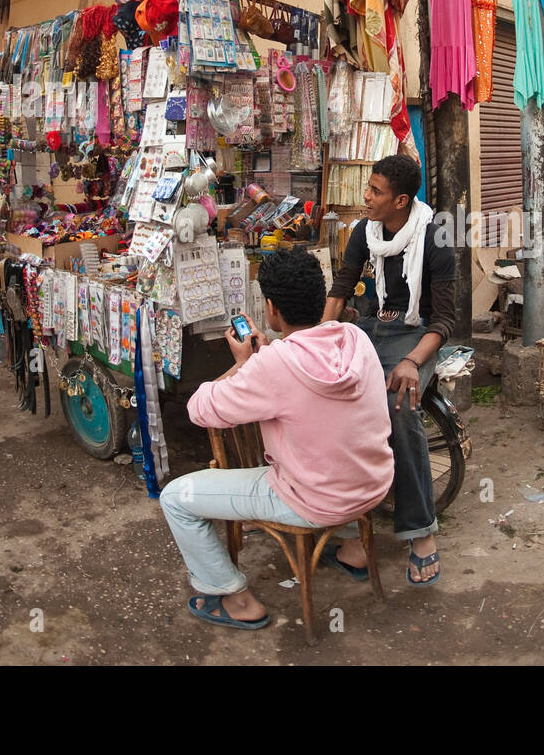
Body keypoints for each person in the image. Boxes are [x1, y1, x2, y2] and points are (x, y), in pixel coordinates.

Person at [163, 251, 395, 629]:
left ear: (271, 309)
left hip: (314, 499)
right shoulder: (355, 337)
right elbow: (302, 365)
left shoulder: (271, 366)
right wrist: (259, 362)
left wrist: (243, 365)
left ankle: (235, 599)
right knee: (336, 446)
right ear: (320, 298)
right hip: (374, 483)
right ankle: (354, 549)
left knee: (176, 498)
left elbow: (199, 409)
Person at [324, 154, 455, 585]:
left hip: (418, 335)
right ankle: (348, 527)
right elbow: (343, 285)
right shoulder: (365, 231)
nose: (366, 197)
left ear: (401, 200)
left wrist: (413, 362)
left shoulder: (436, 235)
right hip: (372, 325)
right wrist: (321, 336)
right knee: (327, 393)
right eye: (368, 187)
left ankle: (421, 533)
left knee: (397, 405)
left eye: (375, 191)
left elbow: (445, 321)